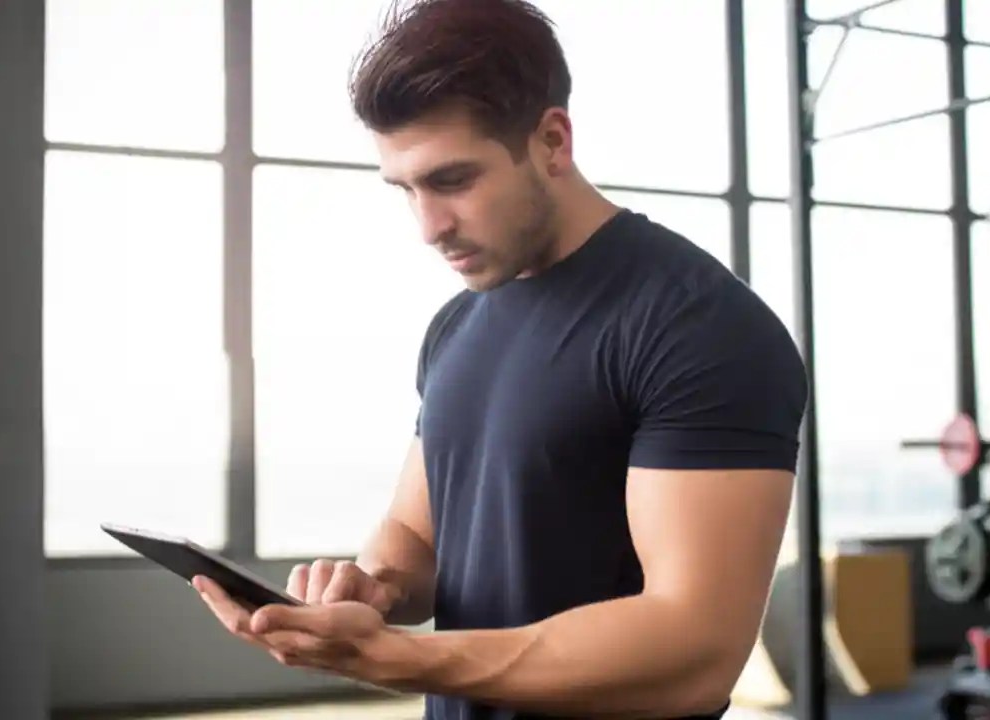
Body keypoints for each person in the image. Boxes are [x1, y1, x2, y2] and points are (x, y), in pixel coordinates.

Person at [194, 1, 809, 718]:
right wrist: (372, 587)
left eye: (452, 180)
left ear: (552, 140)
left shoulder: (699, 325)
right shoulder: (456, 325)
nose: (429, 226)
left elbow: (694, 652)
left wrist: (393, 657)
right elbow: (418, 534)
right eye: (406, 189)